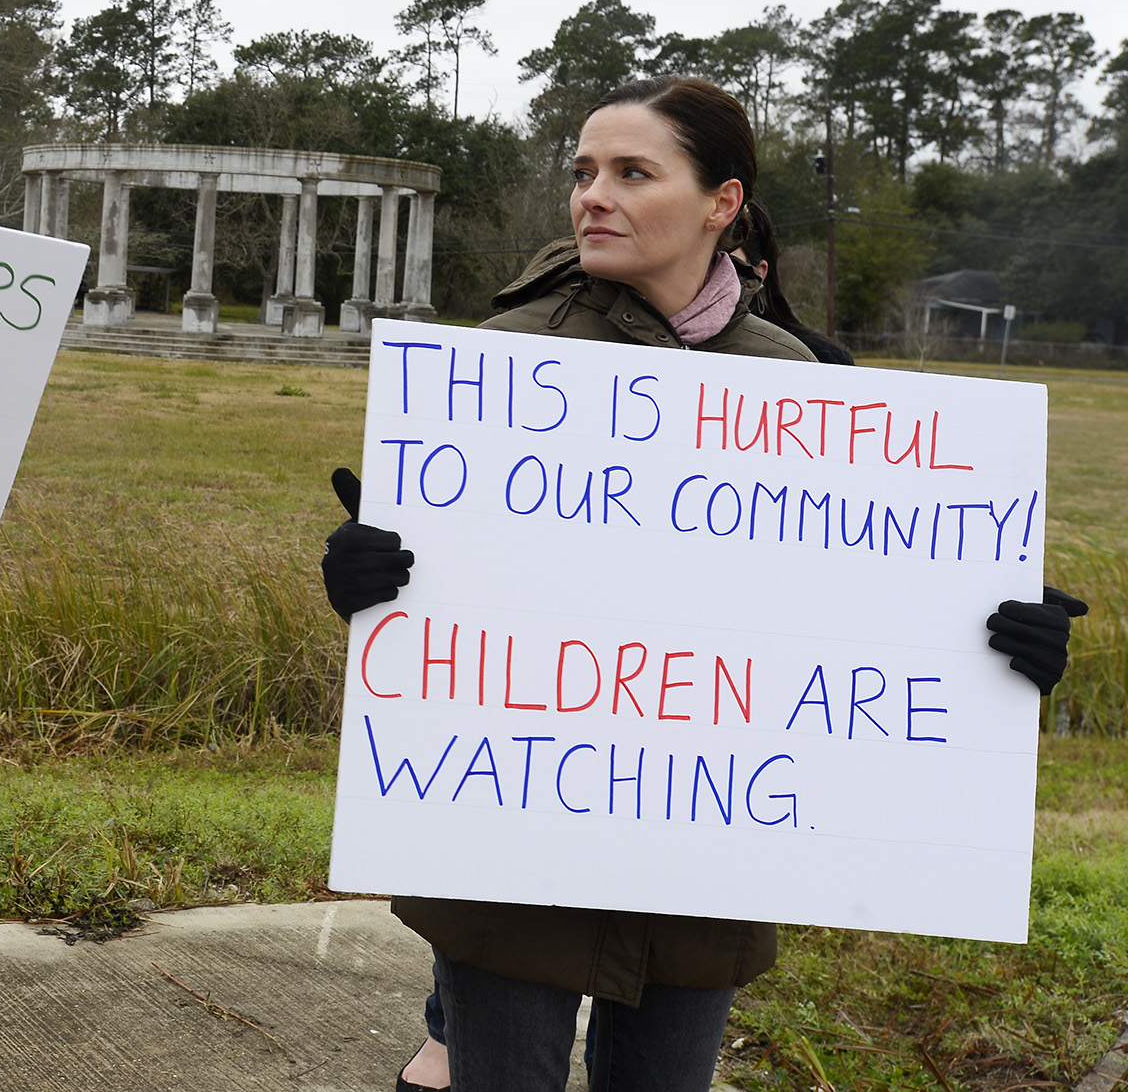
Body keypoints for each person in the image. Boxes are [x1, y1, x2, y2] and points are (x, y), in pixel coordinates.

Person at [322, 76, 1087, 1092]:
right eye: (583, 171)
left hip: (709, 861)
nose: (592, 194)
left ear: (720, 203)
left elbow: (869, 596)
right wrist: (365, 583)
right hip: (507, 853)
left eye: (631, 172)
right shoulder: (497, 365)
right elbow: (432, 608)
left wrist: (1002, 643)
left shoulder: (801, 383)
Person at [728, 198, 854, 365]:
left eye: (728, 264)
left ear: (759, 273)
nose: (712, 276)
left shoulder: (821, 359)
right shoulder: (684, 348)